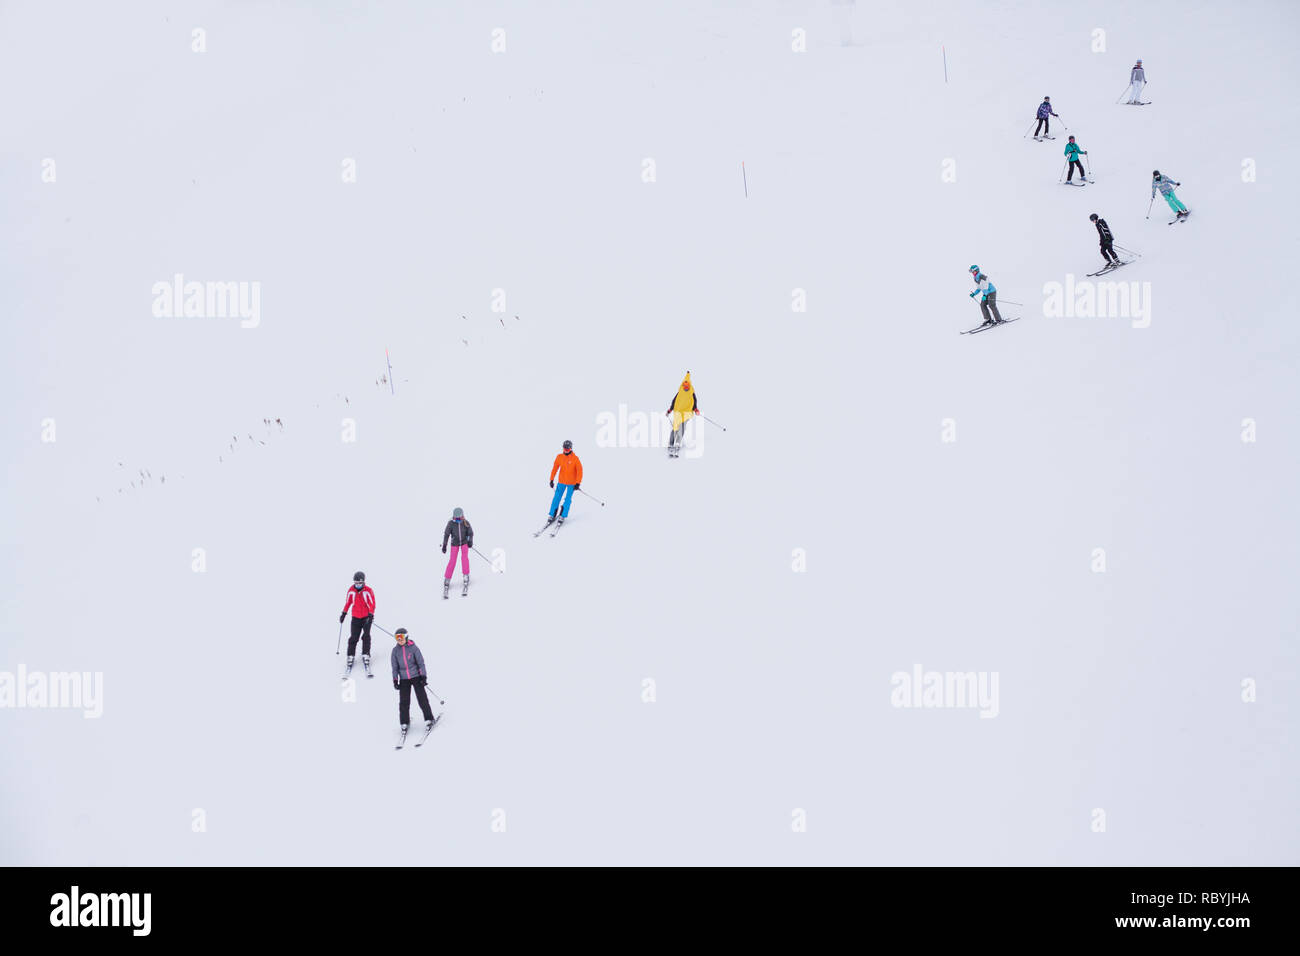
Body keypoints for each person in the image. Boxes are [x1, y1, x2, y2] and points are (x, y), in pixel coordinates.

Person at [390, 627, 435, 735]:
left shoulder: (414, 648)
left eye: (401, 637)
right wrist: (395, 680)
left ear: (406, 637)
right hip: (404, 679)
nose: (399, 640)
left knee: (422, 699)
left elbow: (421, 663)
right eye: (397, 637)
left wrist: (423, 676)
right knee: (404, 702)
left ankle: (429, 718)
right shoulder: (395, 651)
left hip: (416, 677)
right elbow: (394, 667)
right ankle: (404, 722)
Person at [339, 571, 376, 677]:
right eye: (356, 583)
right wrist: (344, 614)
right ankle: (350, 656)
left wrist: (370, 614)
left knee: (366, 636)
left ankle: (366, 654)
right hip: (355, 617)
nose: (357, 585)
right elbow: (348, 602)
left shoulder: (368, 591)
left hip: (366, 618)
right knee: (353, 637)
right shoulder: (351, 590)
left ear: (363, 582)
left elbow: (372, 603)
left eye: (359, 583)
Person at [547, 440, 583, 526]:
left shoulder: (575, 459)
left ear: (571, 449)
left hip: (571, 483)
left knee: (567, 499)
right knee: (556, 498)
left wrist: (578, 483)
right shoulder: (559, 457)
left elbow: (580, 471)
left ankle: (562, 516)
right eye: (565, 449)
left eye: (568, 449)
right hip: (561, 482)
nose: (566, 450)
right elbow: (555, 468)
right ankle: (552, 514)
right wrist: (551, 479)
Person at [665, 372, 700, 458]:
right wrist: (670, 410)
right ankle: (671, 443)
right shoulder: (680, 392)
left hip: (687, 413)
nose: (686, 387)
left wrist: (695, 409)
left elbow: (694, 402)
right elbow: (674, 401)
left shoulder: (692, 392)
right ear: (683, 385)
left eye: (687, 386)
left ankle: (677, 443)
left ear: (689, 385)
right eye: (684, 386)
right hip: (678, 412)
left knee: (682, 427)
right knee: (675, 427)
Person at [441, 507, 473, 598]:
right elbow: (446, 534)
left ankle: (466, 577)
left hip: (464, 543)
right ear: (453, 517)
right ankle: (447, 580)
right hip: (454, 543)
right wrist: (444, 545)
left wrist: (470, 541)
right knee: (452, 561)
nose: (458, 520)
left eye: (459, 518)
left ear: (462, 516)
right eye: (456, 518)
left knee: (464, 559)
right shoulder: (451, 523)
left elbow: (470, 533)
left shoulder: (465, 522)